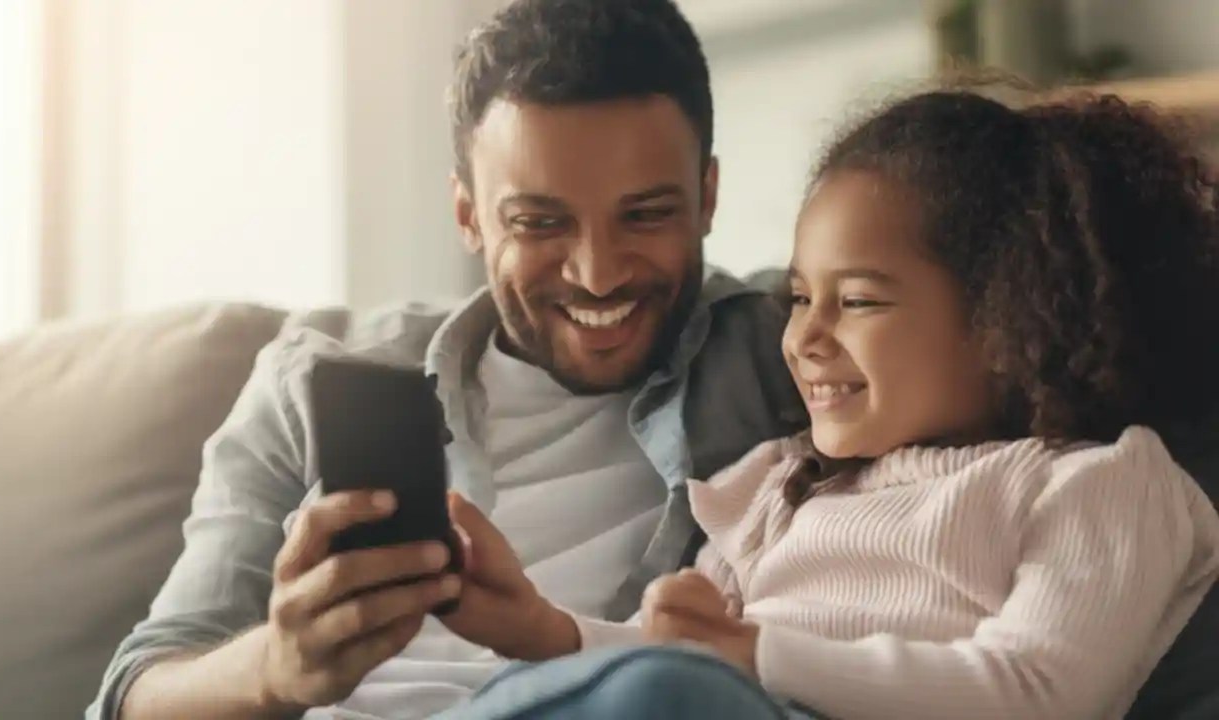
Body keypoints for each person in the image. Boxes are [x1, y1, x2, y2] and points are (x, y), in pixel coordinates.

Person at [85, 1, 802, 718]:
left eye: (645, 215)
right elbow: (136, 698)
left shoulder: (794, 349)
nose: (598, 273)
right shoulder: (313, 382)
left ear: (707, 196)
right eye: (539, 223)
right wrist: (276, 667)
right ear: (468, 216)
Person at [430, 89, 1219, 719]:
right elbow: (663, 646)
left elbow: (1040, 690)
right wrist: (541, 629)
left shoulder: (1102, 484)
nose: (804, 337)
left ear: (1014, 316)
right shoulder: (779, 482)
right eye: (800, 297)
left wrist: (754, 655)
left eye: (861, 302)